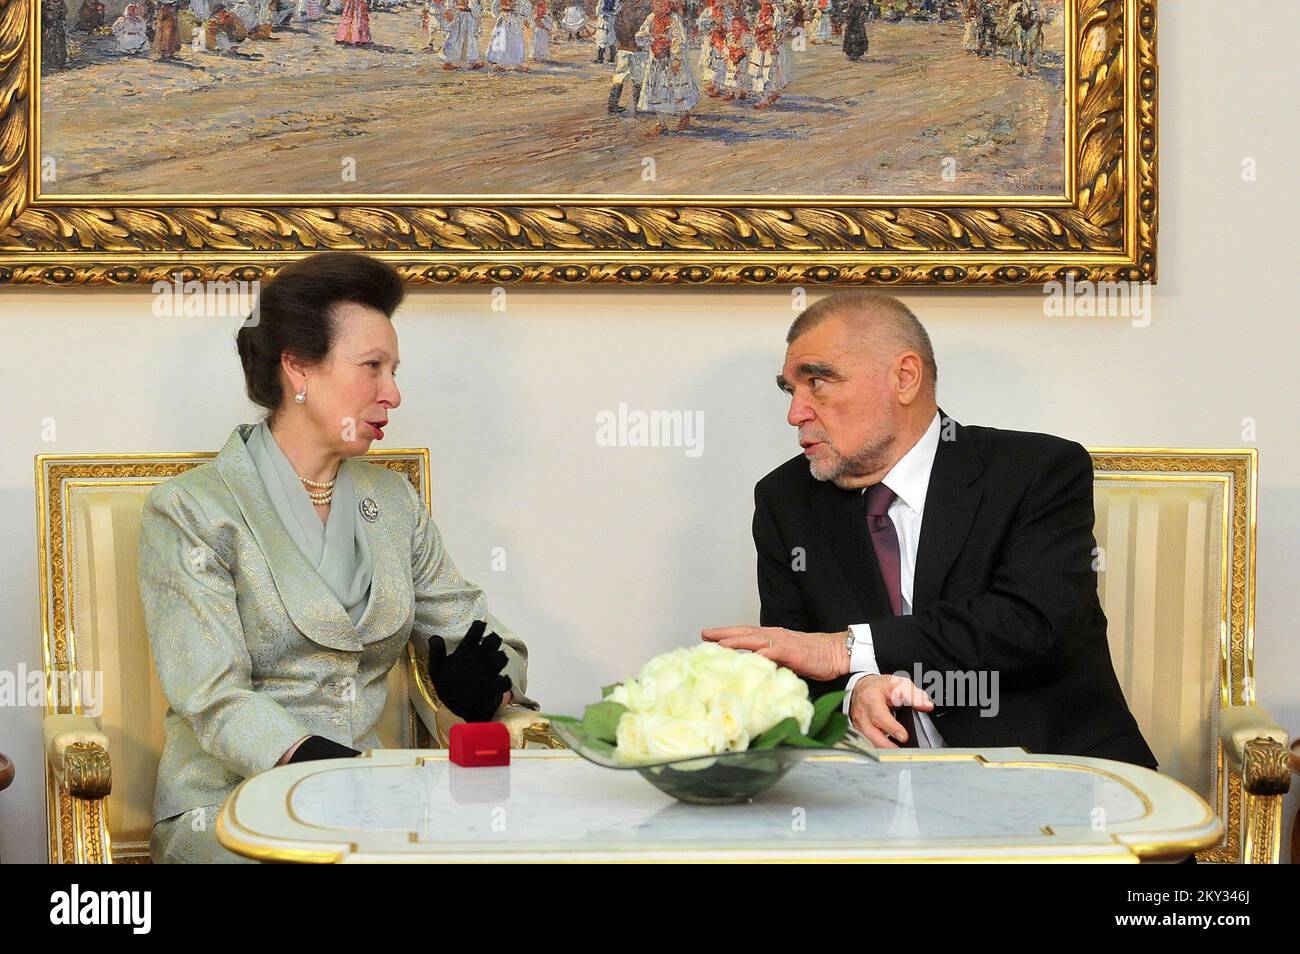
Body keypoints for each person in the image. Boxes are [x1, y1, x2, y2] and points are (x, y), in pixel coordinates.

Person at [140, 252, 538, 863]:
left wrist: (486, 688)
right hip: (232, 805)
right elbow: (213, 697)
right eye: (372, 367)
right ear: (299, 367)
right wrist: (333, 773)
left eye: (395, 369)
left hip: (374, 797)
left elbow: (473, 628)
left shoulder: (393, 501)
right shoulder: (192, 509)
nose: (394, 394)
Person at [702, 290, 1157, 770]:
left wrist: (846, 649)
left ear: (904, 378)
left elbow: (1035, 626)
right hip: (881, 799)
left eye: (818, 380)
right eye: (790, 390)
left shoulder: (1036, 472)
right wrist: (857, 687)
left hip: (1060, 780)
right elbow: (793, 661)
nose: (796, 413)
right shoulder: (784, 499)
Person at [635, 0, 697, 134]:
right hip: (657, 60)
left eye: (663, 4)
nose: (660, 7)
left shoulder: (674, 18)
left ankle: (683, 115)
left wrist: (673, 51)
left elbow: (681, 38)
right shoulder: (651, 18)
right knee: (658, 91)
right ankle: (660, 122)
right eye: (657, 4)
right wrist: (652, 42)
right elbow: (641, 34)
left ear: (669, 5)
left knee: (677, 90)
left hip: (672, 60)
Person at [607, 0, 650, 114]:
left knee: (621, 76)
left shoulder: (624, 6)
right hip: (636, 49)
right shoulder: (645, 7)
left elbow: (617, 25)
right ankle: (637, 106)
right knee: (637, 77)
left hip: (626, 47)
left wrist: (622, 41)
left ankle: (613, 104)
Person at [486, 0, 528, 69]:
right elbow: (494, 7)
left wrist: (517, 10)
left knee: (513, 37)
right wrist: (500, 10)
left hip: (513, 18)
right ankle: (498, 59)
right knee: (501, 37)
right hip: (504, 17)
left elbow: (524, 8)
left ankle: (513, 60)